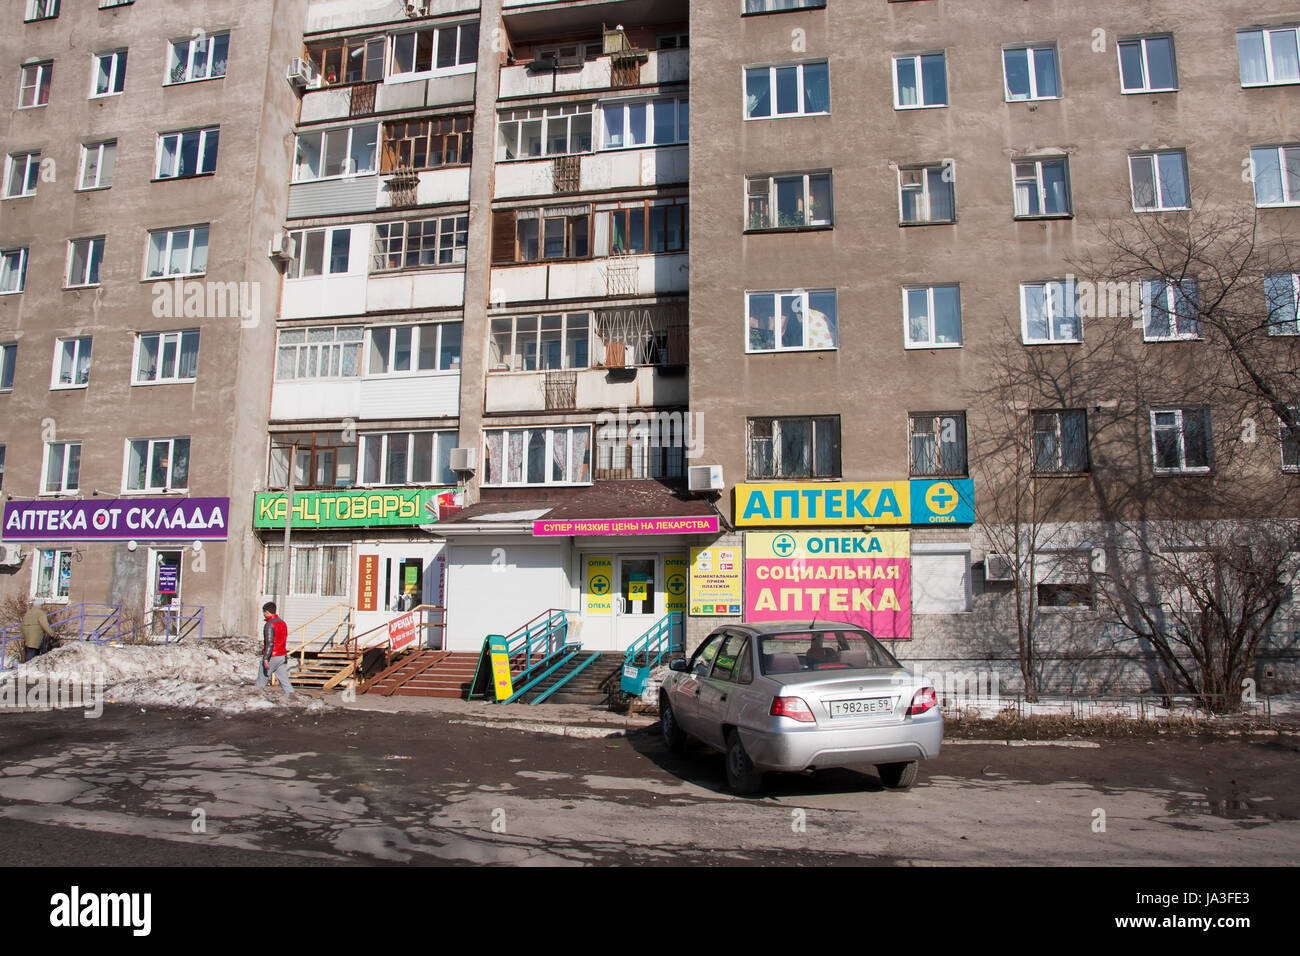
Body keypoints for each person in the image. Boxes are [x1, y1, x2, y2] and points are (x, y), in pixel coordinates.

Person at [255, 602, 295, 695]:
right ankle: (292, 698)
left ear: (267, 612)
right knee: (285, 682)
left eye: (264, 612)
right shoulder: (283, 623)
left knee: (261, 681)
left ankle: (255, 699)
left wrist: (265, 658)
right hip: (282, 656)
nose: (264, 614)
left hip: (272, 656)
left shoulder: (269, 624)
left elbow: (270, 643)